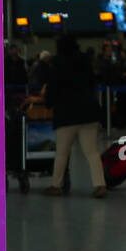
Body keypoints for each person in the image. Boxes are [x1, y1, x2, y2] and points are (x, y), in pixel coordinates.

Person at [43, 33, 108, 197]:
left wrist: (48, 103)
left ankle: (56, 185)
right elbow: (93, 83)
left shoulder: (57, 64)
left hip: (66, 114)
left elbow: (52, 89)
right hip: (89, 112)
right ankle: (100, 185)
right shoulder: (85, 62)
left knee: (62, 153)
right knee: (92, 152)